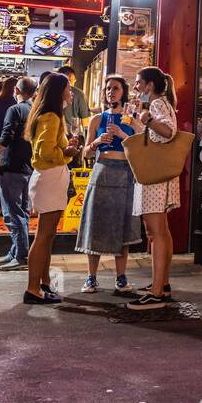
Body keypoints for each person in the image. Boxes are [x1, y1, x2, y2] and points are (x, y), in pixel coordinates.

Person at [75, 74, 142, 295]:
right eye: (107, 89)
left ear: (124, 92)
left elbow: (142, 146)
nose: (110, 92)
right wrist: (95, 142)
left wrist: (123, 134)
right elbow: (84, 152)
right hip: (102, 170)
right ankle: (91, 277)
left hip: (125, 173)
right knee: (95, 223)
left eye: (115, 88)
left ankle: (121, 277)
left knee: (122, 225)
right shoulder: (97, 119)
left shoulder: (131, 118)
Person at [126, 67, 183, 309]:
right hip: (160, 176)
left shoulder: (158, 104)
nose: (136, 87)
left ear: (150, 85)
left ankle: (157, 292)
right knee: (161, 231)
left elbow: (169, 132)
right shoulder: (162, 103)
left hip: (155, 177)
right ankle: (162, 285)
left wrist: (147, 118)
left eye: (139, 83)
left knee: (156, 232)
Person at [24, 72, 80, 305]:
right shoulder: (51, 116)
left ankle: (43, 283)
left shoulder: (49, 115)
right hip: (50, 177)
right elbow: (44, 152)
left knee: (47, 236)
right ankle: (33, 288)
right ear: (59, 91)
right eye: (68, 88)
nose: (70, 92)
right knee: (44, 236)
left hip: (50, 177)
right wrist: (67, 152)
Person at [0, 76, 37, 271]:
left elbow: (7, 135)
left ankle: (20, 255)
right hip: (28, 166)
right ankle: (16, 251)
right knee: (22, 211)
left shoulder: (15, 109)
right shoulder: (34, 110)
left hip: (12, 166)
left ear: (16, 91)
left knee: (12, 212)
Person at [60, 64, 92, 141]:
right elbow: (85, 120)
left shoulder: (50, 92)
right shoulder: (79, 94)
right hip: (72, 135)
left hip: (56, 133)